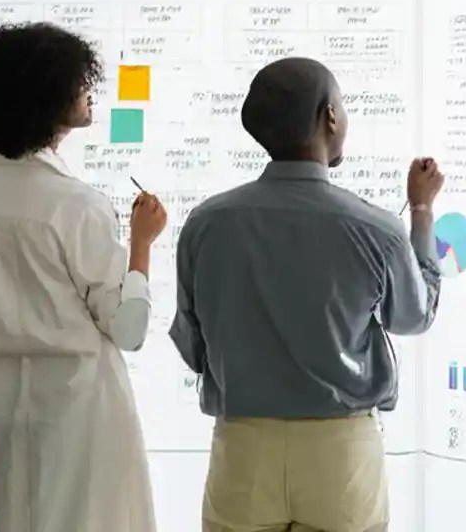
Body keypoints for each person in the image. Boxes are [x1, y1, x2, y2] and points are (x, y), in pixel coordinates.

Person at [170, 56, 444, 532]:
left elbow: (195, 347)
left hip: (243, 447)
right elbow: (413, 317)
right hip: (341, 455)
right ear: (330, 116)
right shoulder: (374, 227)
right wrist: (420, 210)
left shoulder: (205, 224)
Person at [0, 22, 168, 532]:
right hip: (80, 408)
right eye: (79, 82)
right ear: (44, 98)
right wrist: (141, 245)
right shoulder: (76, 205)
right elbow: (128, 330)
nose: (90, 92)